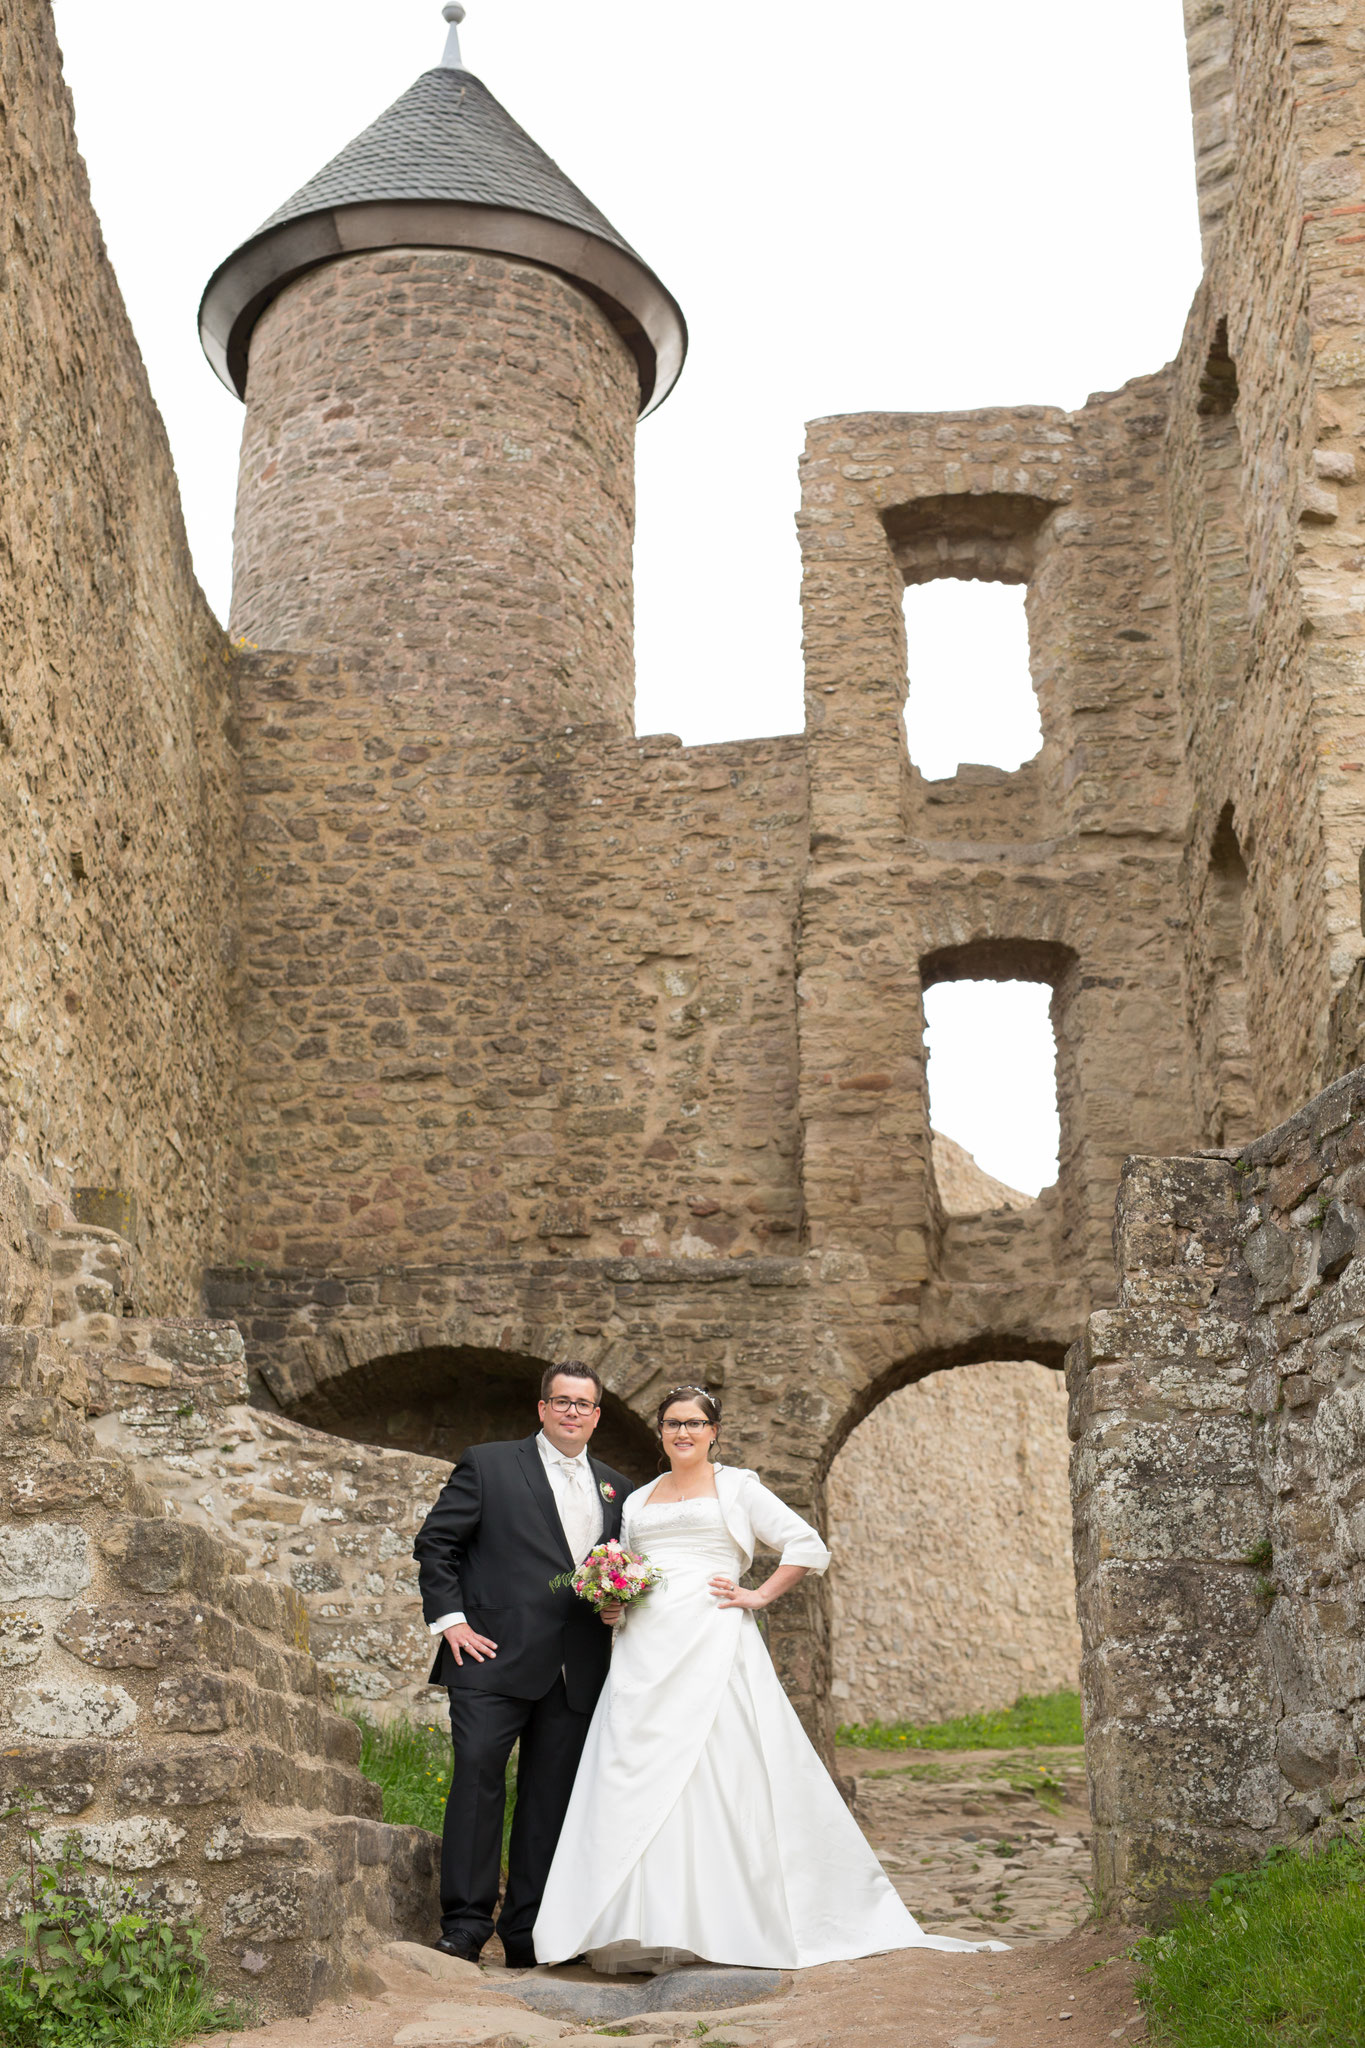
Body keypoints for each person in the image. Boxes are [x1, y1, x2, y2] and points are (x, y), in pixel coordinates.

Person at [533, 1386, 1005, 1971]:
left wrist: (756, 1595)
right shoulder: (638, 1500)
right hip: (643, 1650)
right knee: (633, 1771)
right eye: (673, 1423)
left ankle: (724, 1920)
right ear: (660, 1431)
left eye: (695, 1423)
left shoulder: (738, 1488)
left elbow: (806, 1546)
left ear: (714, 1432)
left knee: (717, 1769)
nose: (683, 1433)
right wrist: (614, 1604)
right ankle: (634, 1920)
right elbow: (630, 1567)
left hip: (712, 1638)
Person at [412, 1364, 632, 1967]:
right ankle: (462, 1924)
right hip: (489, 1656)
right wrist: (451, 1621)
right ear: (542, 1409)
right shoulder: (488, 1463)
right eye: (560, 1401)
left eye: (583, 1405)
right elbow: (438, 1543)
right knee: (478, 1785)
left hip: (576, 1669)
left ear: (595, 1416)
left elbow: (613, 1573)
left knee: (550, 1803)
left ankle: (527, 1933)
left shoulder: (618, 1487)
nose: (571, 1412)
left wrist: (617, 1606)